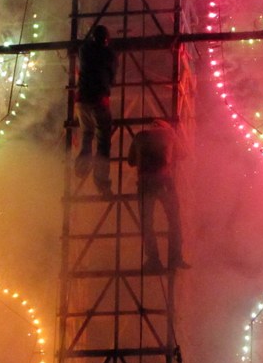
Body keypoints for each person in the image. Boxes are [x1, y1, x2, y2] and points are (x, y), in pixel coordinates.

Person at [128, 119, 190, 273]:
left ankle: (154, 259)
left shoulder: (140, 136)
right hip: (164, 181)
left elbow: (131, 161)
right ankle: (176, 257)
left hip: (145, 182)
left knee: (146, 223)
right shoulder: (169, 134)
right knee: (174, 220)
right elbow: (183, 153)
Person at [75, 25, 117, 197]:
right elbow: (112, 78)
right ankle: (101, 182)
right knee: (103, 140)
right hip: (99, 98)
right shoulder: (109, 54)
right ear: (106, 39)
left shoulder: (84, 50)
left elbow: (82, 47)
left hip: (82, 98)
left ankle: (81, 168)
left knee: (87, 133)